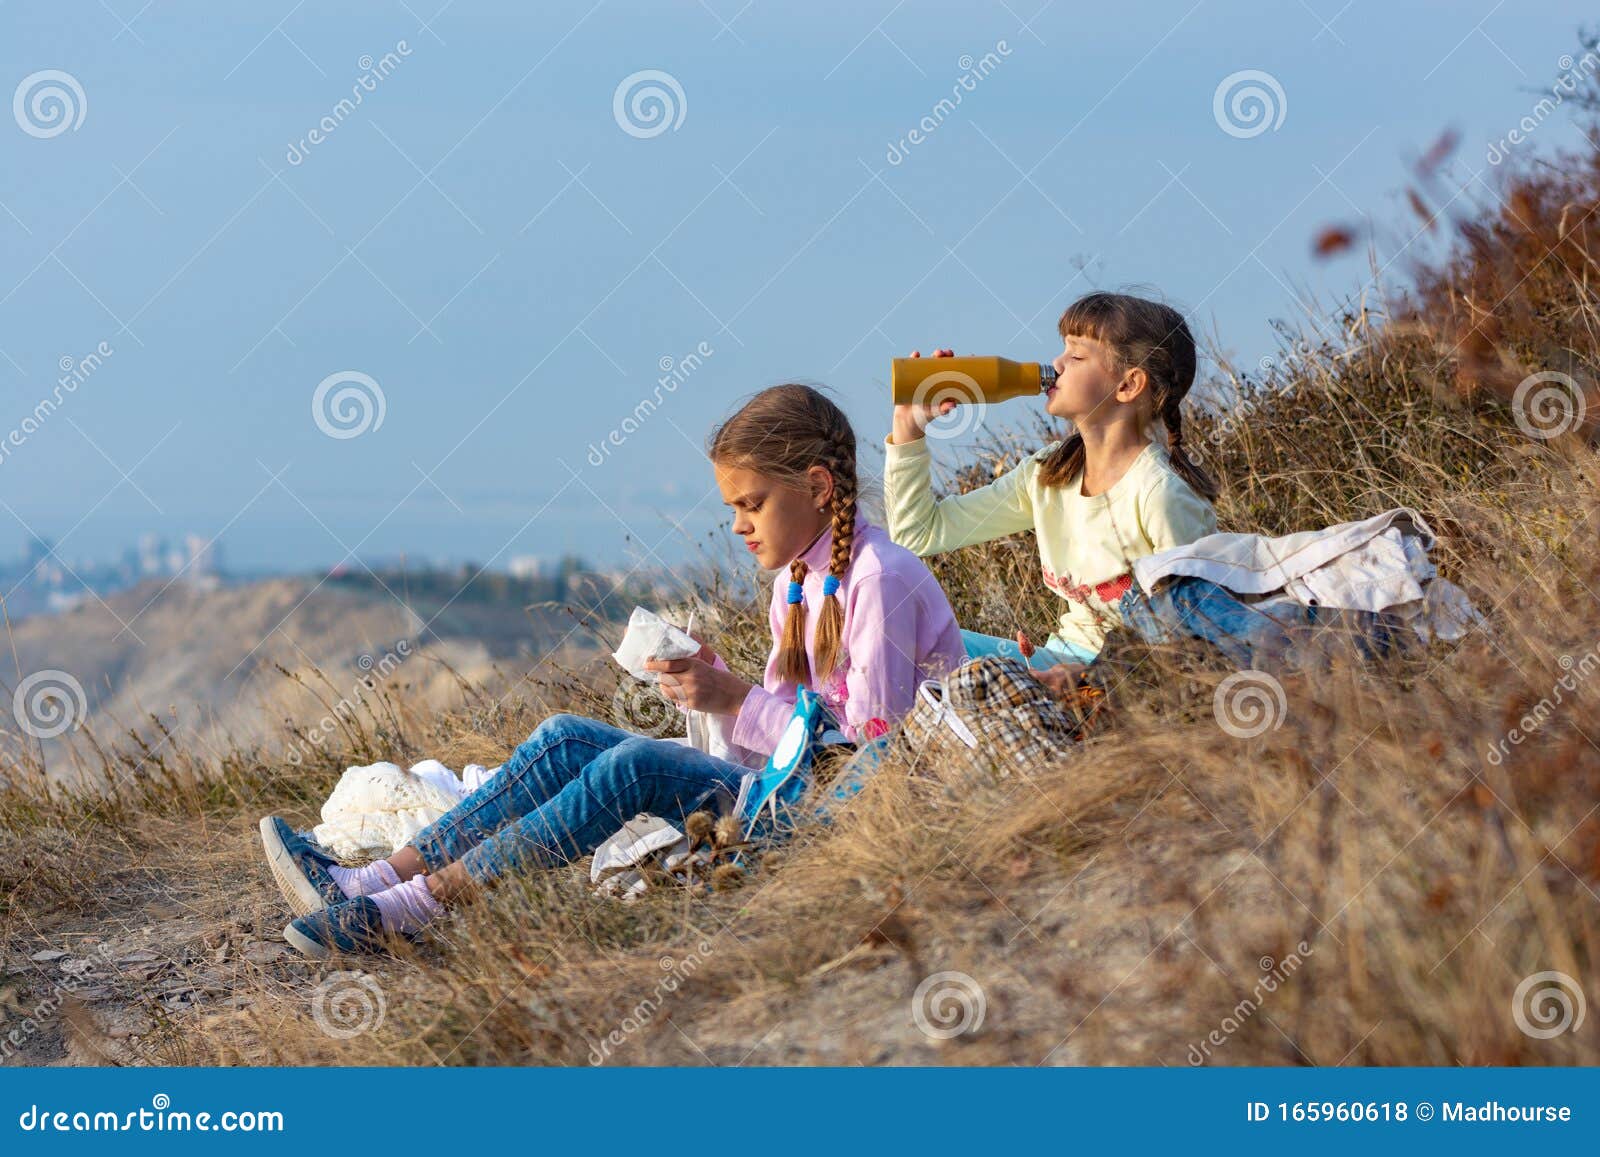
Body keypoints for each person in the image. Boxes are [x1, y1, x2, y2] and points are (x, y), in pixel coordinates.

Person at [261, 383, 965, 957]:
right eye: (733, 510)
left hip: (841, 818)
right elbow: (773, 749)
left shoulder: (879, 578)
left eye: (752, 504)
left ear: (816, 486)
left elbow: (867, 754)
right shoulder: (797, 583)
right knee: (567, 735)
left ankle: (410, 908)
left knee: (632, 767)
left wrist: (735, 696)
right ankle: (374, 878)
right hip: (785, 792)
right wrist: (715, 690)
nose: (741, 525)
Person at [885, 292, 1219, 693]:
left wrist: (1090, 678)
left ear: (1129, 384)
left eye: (1076, 357)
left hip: (1119, 685)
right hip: (1052, 665)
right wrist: (910, 428)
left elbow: (1195, 635)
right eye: (1062, 350)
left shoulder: (1159, 496)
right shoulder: (1049, 474)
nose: (1056, 365)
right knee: (908, 642)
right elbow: (919, 533)